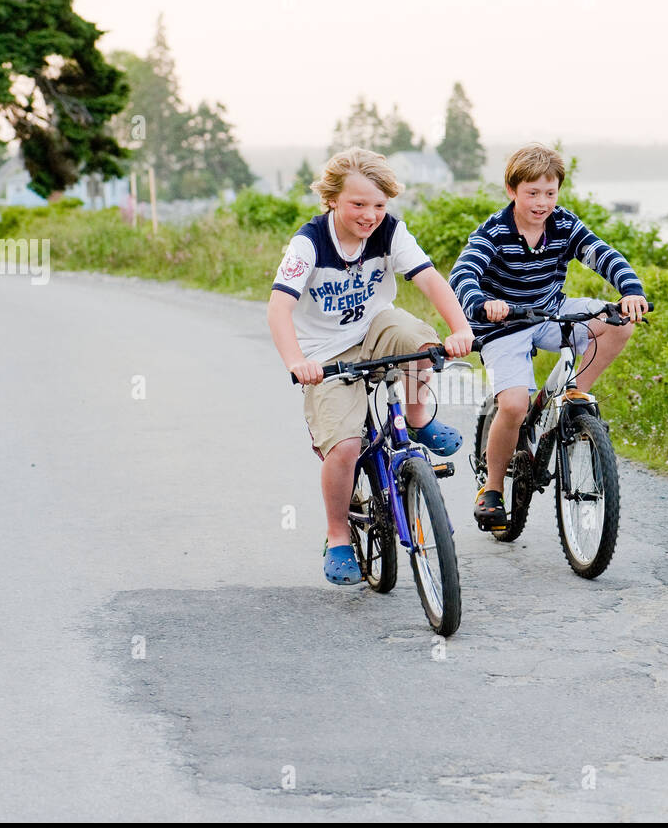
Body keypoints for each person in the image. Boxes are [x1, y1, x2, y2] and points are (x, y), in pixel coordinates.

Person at [267, 148, 474, 584]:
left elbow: (431, 280)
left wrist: (459, 329)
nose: (370, 215)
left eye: (379, 205)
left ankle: (417, 420)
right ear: (332, 200)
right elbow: (278, 309)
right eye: (358, 204)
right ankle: (338, 534)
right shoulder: (309, 243)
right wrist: (297, 362)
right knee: (343, 448)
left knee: (423, 344)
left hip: (375, 329)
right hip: (325, 355)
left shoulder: (390, 232)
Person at [449, 143, 648, 530]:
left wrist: (631, 290)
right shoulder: (494, 231)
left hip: (549, 313)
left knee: (618, 321)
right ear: (513, 191)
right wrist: (483, 303)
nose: (542, 203)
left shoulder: (562, 224)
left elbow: (601, 254)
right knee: (513, 406)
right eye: (532, 193)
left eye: (550, 193)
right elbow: (463, 275)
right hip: (504, 326)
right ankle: (491, 487)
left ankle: (572, 393)